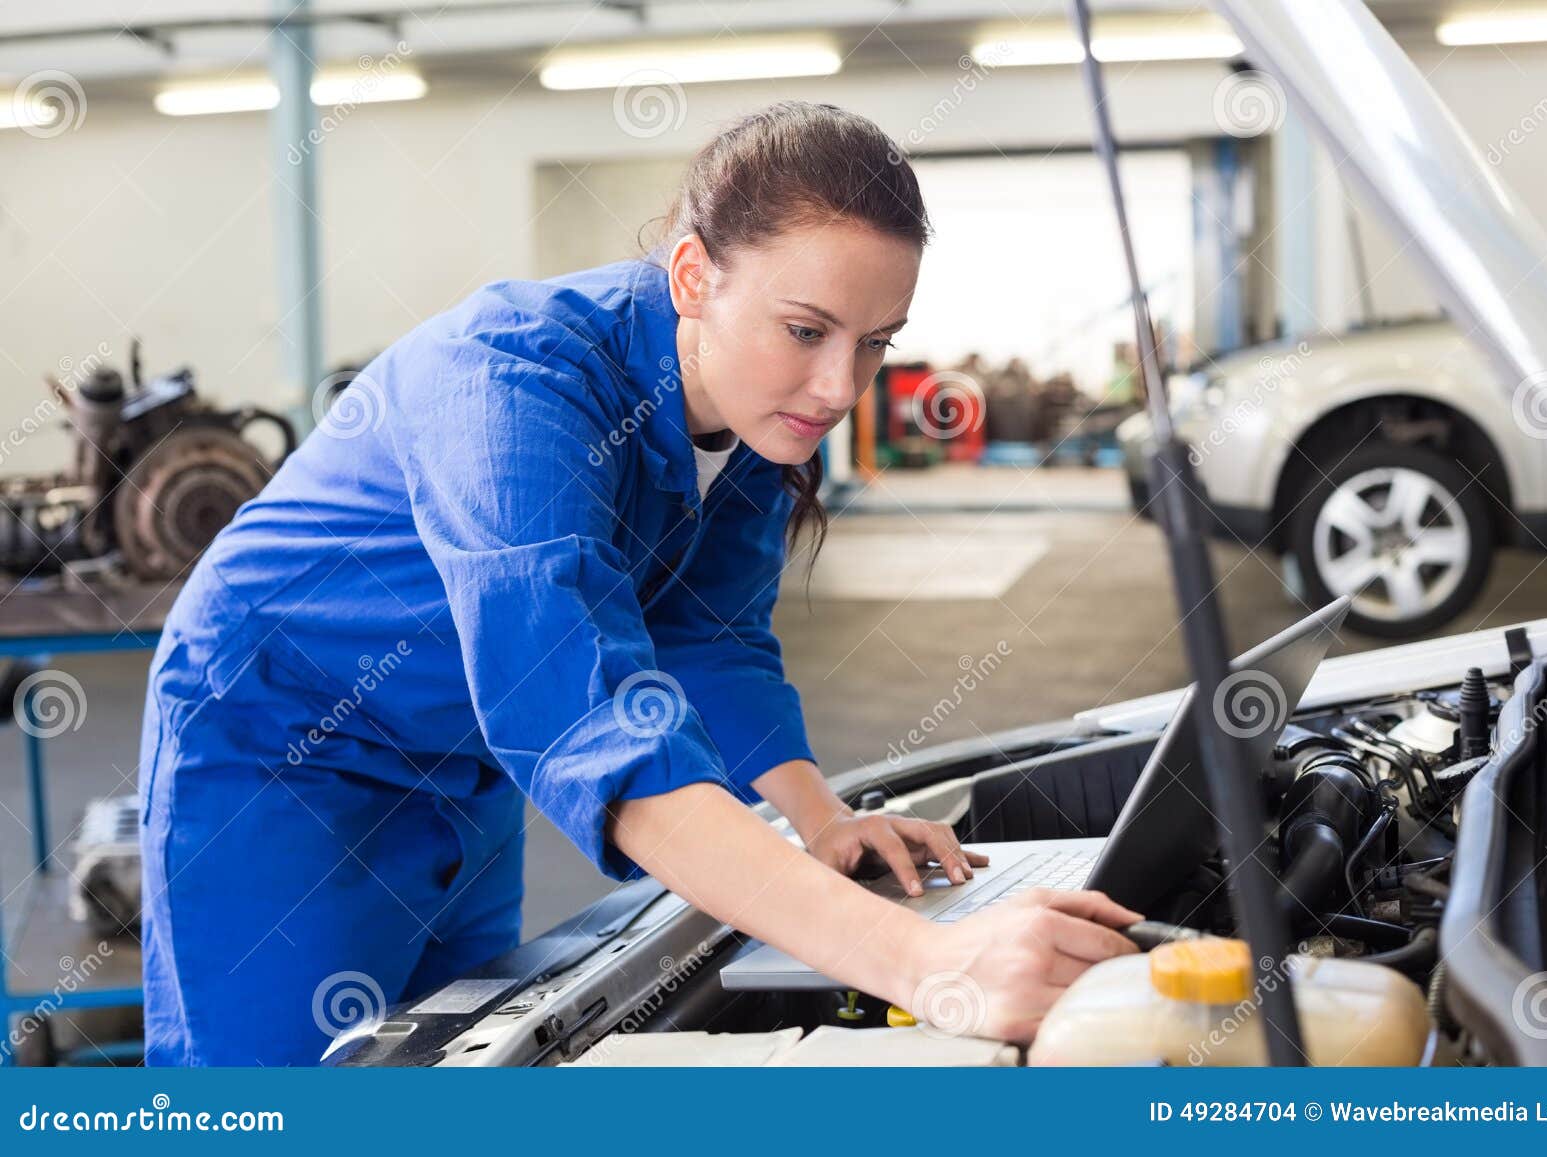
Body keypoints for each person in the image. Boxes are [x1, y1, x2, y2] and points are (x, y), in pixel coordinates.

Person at [138, 100, 1139, 1066]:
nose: (840, 387)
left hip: (465, 760)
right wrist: (925, 962)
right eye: (806, 330)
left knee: (434, 1068)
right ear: (694, 275)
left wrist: (824, 819)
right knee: (281, 1096)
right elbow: (584, 718)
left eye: (874, 341)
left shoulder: (755, 417)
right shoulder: (511, 384)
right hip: (283, 751)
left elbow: (711, 636)